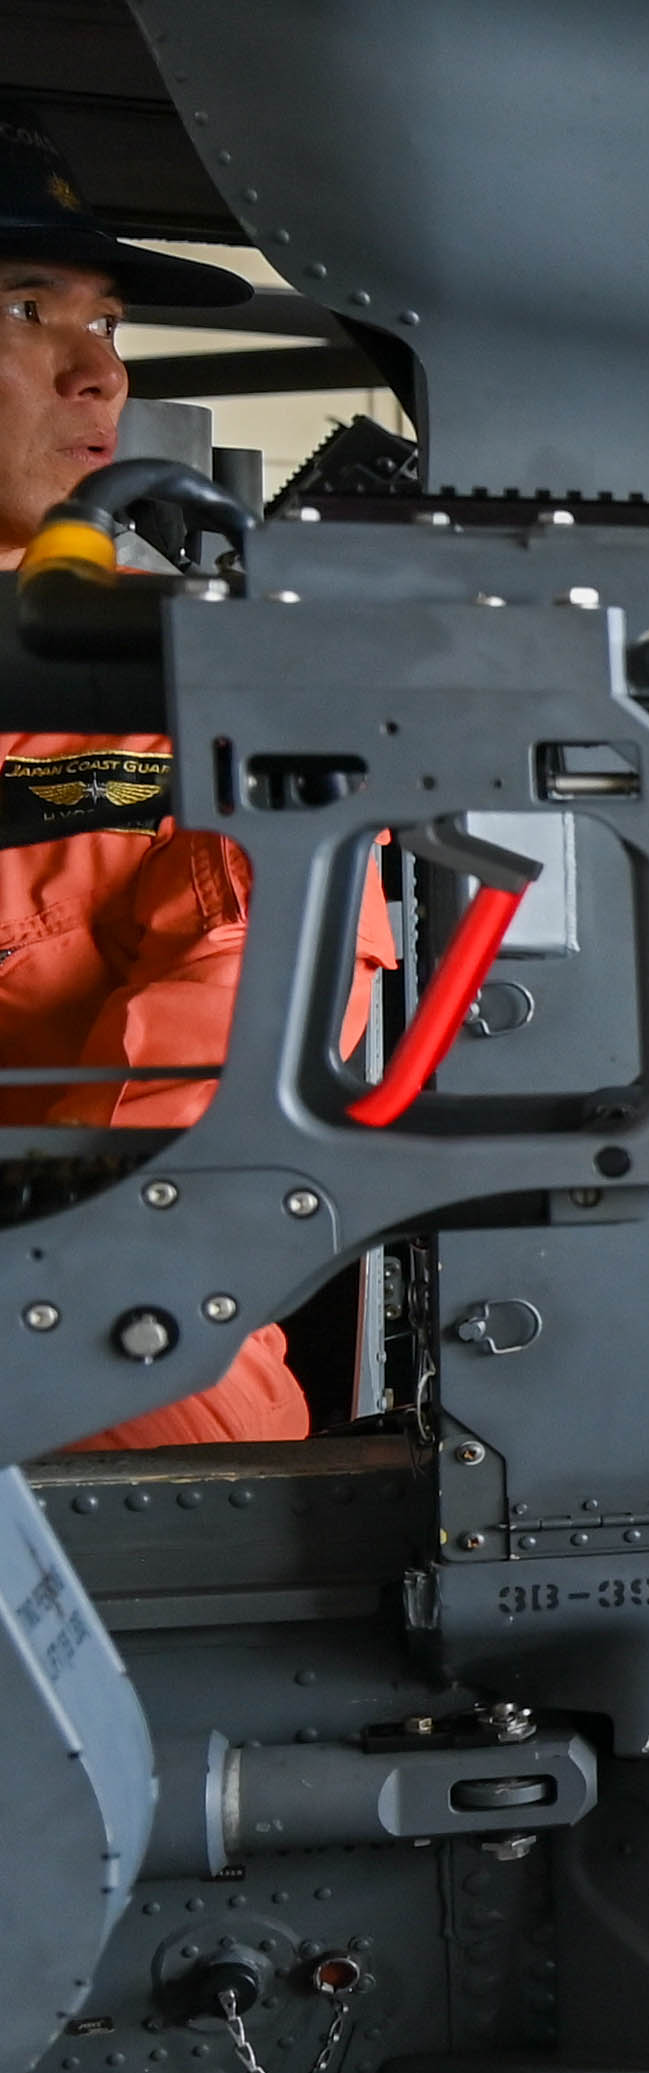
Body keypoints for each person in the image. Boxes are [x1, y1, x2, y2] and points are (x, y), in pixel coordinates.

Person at [0, 108, 309, 1452]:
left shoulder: (198, 708)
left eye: (108, 323)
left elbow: (156, 1254)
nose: (98, 376)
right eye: (27, 309)